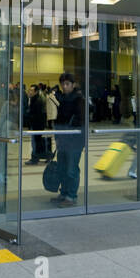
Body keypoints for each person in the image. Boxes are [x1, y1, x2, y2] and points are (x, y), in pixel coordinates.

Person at [52, 72, 84, 207]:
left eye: (67, 84)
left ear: (73, 84)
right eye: (63, 84)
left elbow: (81, 121)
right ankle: (64, 193)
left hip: (74, 141)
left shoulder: (79, 100)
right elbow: (60, 120)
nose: (64, 87)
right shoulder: (64, 99)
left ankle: (71, 196)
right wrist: (58, 137)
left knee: (71, 169)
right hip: (63, 140)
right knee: (62, 167)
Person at [26, 84, 48, 164]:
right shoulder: (33, 99)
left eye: (32, 90)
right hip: (36, 124)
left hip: (37, 124)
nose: (30, 91)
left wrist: (29, 115)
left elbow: (37, 114)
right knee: (37, 142)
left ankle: (35, 158)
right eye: (29, 90)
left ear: (36, 92)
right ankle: (40, 156)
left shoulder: (37, 100)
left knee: (35, 142)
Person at [44, 82, 58, 160]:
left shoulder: (47, 96)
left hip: (49, 111)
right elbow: (57, 103)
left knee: (50, 122)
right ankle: (53, 129)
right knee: (52, 122)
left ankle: (50, 129)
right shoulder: (52, 96)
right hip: (52, 111)